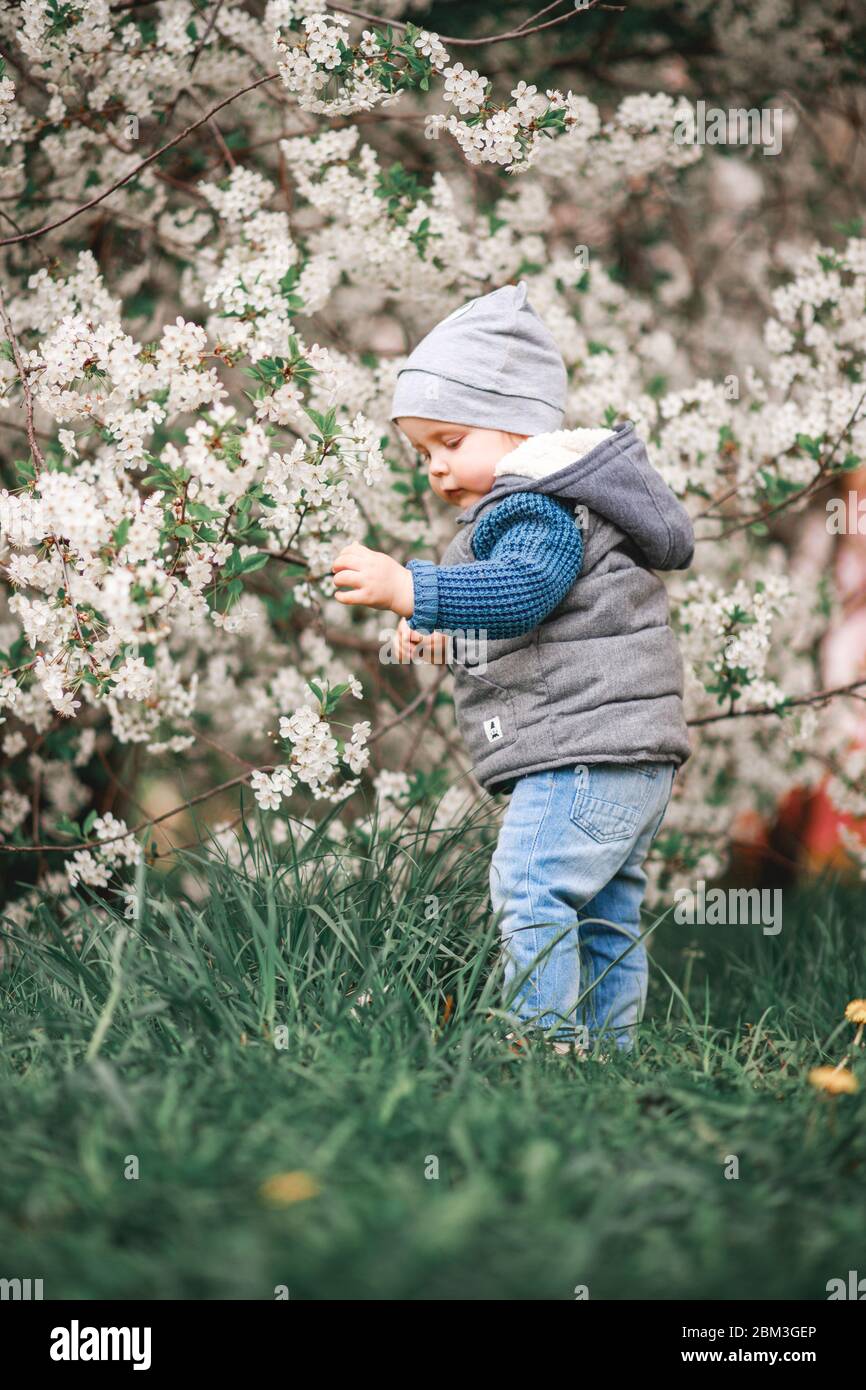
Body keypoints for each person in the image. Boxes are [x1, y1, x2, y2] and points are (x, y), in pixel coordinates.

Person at [331, 280, 694, 1056]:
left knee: (529, 886)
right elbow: (538, 624)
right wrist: (445, 633)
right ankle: (607, 1059)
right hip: (625, 747)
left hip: (584, 753)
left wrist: (410, 587)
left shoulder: (536, 505)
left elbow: (524, 592)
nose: (435, 468)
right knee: (604, 913)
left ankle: (545, 1048)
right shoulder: (566, 504)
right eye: (423, 452)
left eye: (451, 441)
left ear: (519, 424)